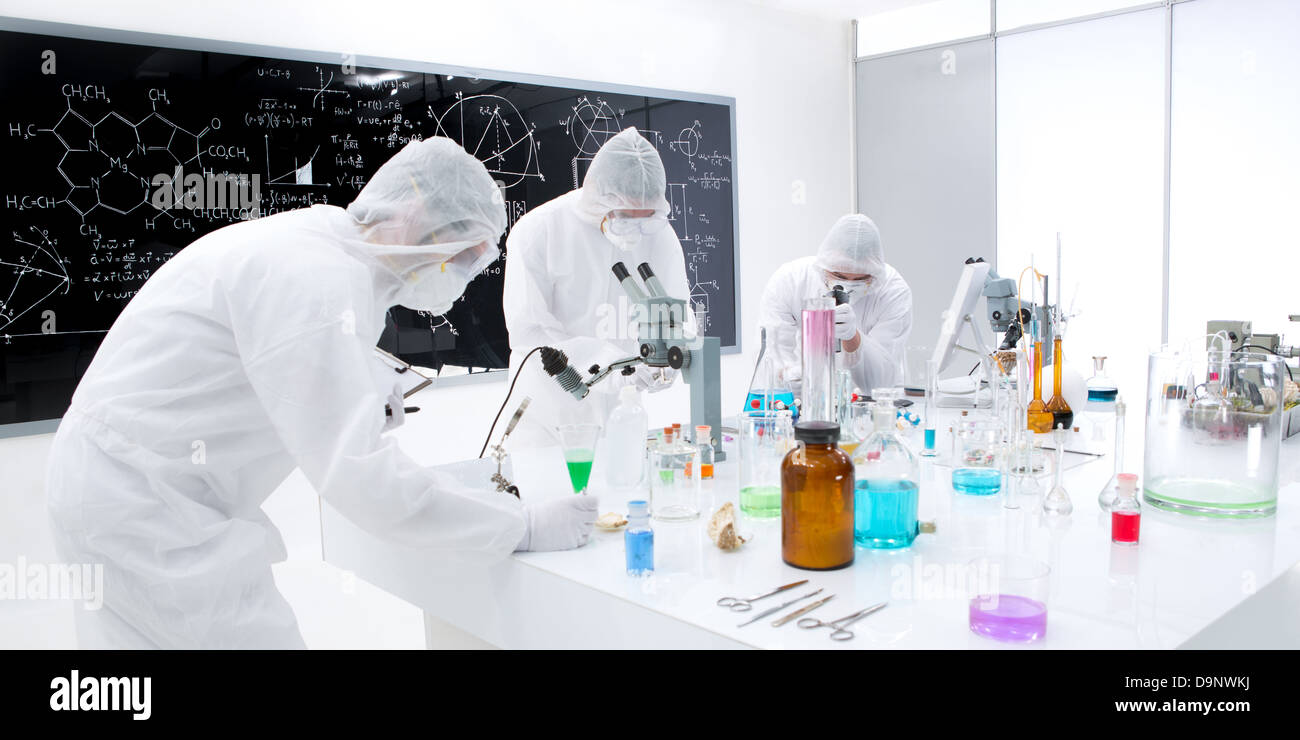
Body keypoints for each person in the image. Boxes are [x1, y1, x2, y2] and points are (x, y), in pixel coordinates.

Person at [45, 138, 597, 649]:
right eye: (462, 256)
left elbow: (265, 359)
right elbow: (362, 479)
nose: (459, 277)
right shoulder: (317, 278)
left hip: (118, 485)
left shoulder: (324, 248)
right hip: (147, 507)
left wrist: (365, 382)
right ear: (416, 220)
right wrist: (521, 526)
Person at [502, 127, 692, 447]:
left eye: (645, 218)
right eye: (624, 216)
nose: (636, 230)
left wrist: (671, 356)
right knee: (547, 494)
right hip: (547, 418)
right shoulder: (539, 231)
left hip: (621, 414)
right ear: (598, 198)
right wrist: (611, 363)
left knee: (620, 492)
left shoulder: (659, 235)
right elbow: (531, 333)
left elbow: (678, 308)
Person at [758, 214, 912, 394]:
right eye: (839, 276)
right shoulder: (790, 281)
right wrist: (793, 376)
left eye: (861, 279)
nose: (849, 285)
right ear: (824, 267)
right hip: (807, 401)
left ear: (875, 274)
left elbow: (879, 380)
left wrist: (853, 338)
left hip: (873, 406)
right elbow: (771, 355)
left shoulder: (892, 291)